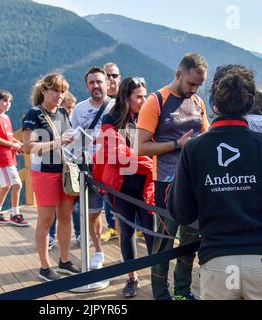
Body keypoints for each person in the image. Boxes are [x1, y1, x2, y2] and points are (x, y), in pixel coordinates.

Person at [168, 65, 262, 300]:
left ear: (214, 103)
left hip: (218, 263)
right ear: (250, 103)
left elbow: (180, 211)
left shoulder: (194, 149)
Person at [137, 53, 209, 300]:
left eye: (199, 85)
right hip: (165, 184)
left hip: (194, 184)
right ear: (179, 74)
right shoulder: (155, 101)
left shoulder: (198, 103)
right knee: (164, 243)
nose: (195, 89)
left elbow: (206, 134)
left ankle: (182, 292)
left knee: (190, 244)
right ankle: (160, 294)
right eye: (191, 83)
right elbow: (141, 147)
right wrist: (178, 145)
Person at [94, 77, 155, 297]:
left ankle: (158, 279)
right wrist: (148, 159)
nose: (143, 100)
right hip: (122, 187)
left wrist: (146, 155)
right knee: (127, 232)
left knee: (151, 232)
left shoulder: (147, 117)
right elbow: (117, 154)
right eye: (139, 96)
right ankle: (132, 278)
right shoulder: (111, 119)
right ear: (126, 97)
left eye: (145, 96)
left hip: (145, 187)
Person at [22, 73, 81, 281]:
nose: (60, 95)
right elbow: (28, 147)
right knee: (46, 220)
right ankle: (45, 268)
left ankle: (64, 261)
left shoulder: (64, 113)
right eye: (56, 90)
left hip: (63, 171)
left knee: (65, 217)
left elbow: (67, 139)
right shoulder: (34, 114)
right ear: (44, 90)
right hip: (44, 172)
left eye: (63, 91)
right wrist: (56, 143)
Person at [71, 67, 115, 270]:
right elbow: (74, 139)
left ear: (107, 83)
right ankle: (98, 251)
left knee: (121, 212)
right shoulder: (79, 109)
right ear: (87, 85)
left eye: (99, 81)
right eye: (92, 82)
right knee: (93, 213)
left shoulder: (117, 106)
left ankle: (128, 255)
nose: (96, 85)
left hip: (115, 166)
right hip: (90, 168)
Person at [0, 90, 28, 226]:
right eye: (4, 101)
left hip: (9, 155)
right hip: (3, 157)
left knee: (5, 186)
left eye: (9, 101)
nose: (7, 104)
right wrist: (13, 145)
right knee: (17, 184)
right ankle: (15, 214)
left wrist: (19, 144)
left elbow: (8, 137)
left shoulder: (6, 118)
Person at [48, 91, 80, 250]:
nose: (70, 111)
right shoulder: (53, 121)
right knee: (54, 206)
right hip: (54, 167)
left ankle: (79, 234)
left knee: (73, 204)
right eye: (68, 108)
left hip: (71, 167)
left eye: (72, 108)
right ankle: (51, 237)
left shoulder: (72, 121)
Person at [101, 62, 122, 242]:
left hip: (126, 157)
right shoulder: (98, 102)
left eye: (114, 75)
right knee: (108, 191)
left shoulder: (125, 102)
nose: (111, 79)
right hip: (103, 156)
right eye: (107, 76)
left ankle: (124, 227)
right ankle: (111, 226)